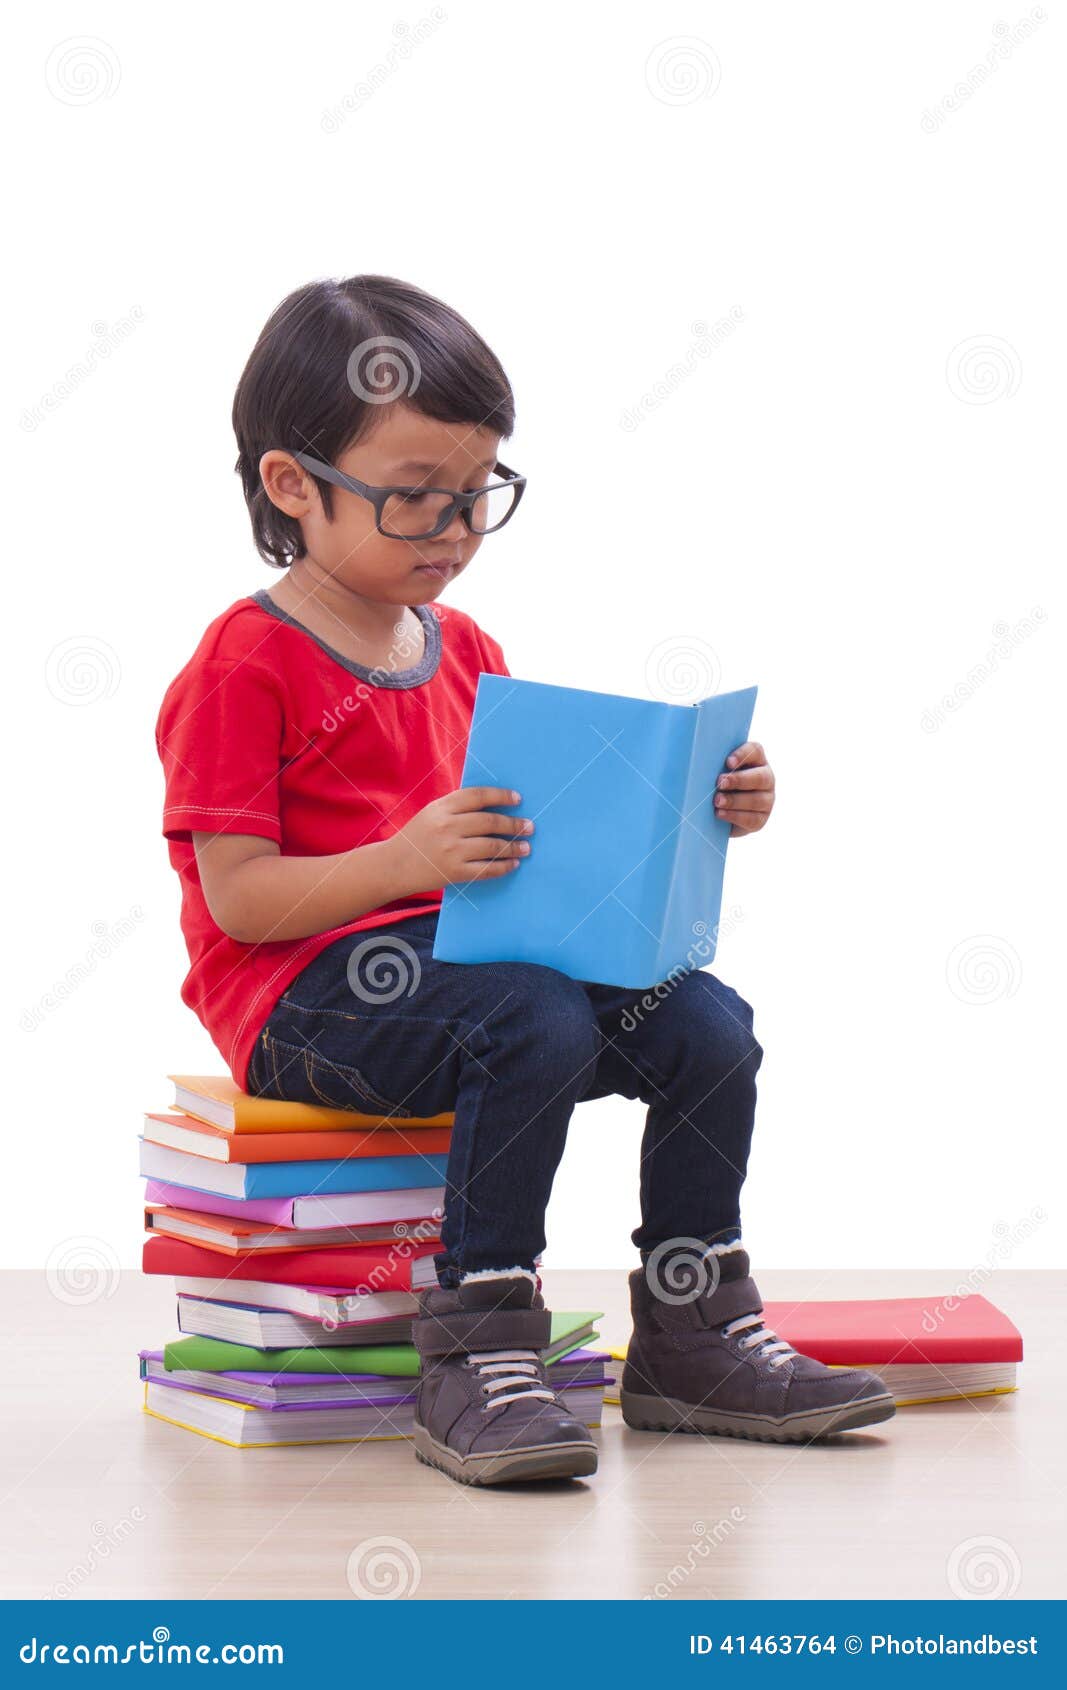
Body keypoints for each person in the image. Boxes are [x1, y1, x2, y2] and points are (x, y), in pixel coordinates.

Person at [156, 274, 894, 1489]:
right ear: (292, 485)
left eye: (474, 496)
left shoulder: (466, 651)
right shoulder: (247, 661)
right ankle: (480, 1348)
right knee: (529, 1015)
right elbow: (238, 901)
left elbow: (521, 848)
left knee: (705, 1022)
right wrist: (403, 862)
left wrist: (697, 808)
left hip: (466, 970)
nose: (452, 532)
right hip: (302, 998)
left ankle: (691, 1328)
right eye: (412, 502)